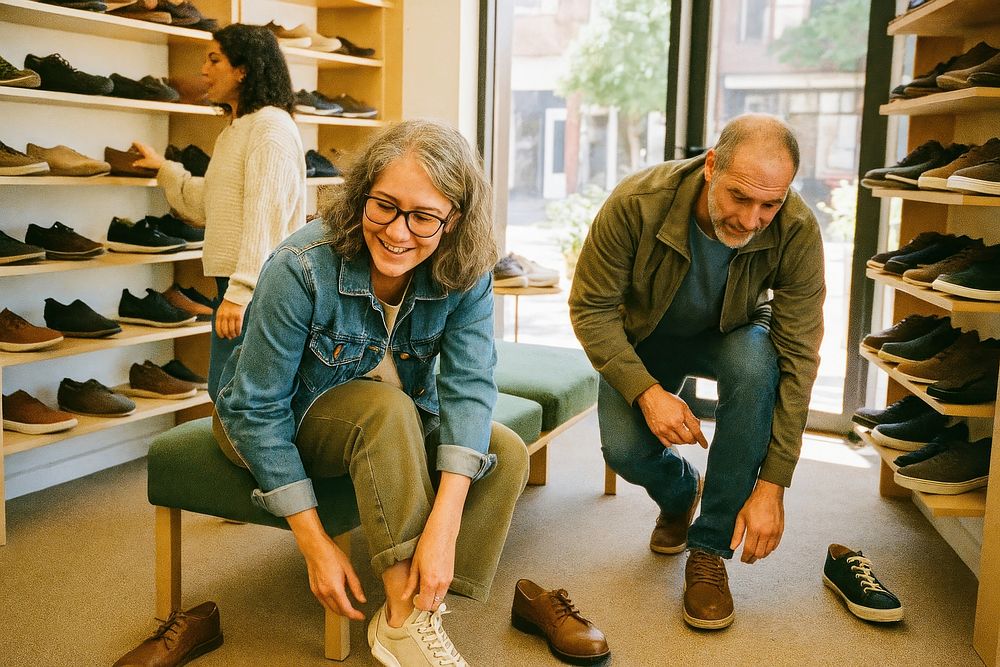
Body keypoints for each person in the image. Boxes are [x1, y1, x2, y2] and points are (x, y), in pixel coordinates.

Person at [212, 119, 529, 666]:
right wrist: (314, 544)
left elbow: (469, 386)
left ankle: (422, 601)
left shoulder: (467, 271)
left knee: (504, 451)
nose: (398, 232)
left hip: (385, 415)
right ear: (362, 194)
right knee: (385, 412)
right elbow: (256, 408)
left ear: (453, 222)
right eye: (384, 205)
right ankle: (402, 621)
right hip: (268, 417)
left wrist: (444, 530)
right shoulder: (301, 265)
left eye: (424, 217)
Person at [569, 113, 825, 630]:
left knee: (758, 362)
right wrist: (646, 393)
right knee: (623, 451)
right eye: (740, 197)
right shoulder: (636, 203)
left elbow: (799, 355)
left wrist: (774, 484)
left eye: (769, 204)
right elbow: (590, 309)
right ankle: (682, 492)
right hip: (648, 334)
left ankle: (709, 550)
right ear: (711, 166)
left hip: (732, 332)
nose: (752, 220)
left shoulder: (796, 228)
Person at [132, 23, 307, 399]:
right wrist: (164, 168)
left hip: (258, 289)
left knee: (243, 400)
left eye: (214, 60)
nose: (203, 70)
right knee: (227, 394)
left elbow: (267, 218)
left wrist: (241, 292)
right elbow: (207, 205)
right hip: (234, 285)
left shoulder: (270, 127)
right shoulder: (236, 129)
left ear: (243, 69)